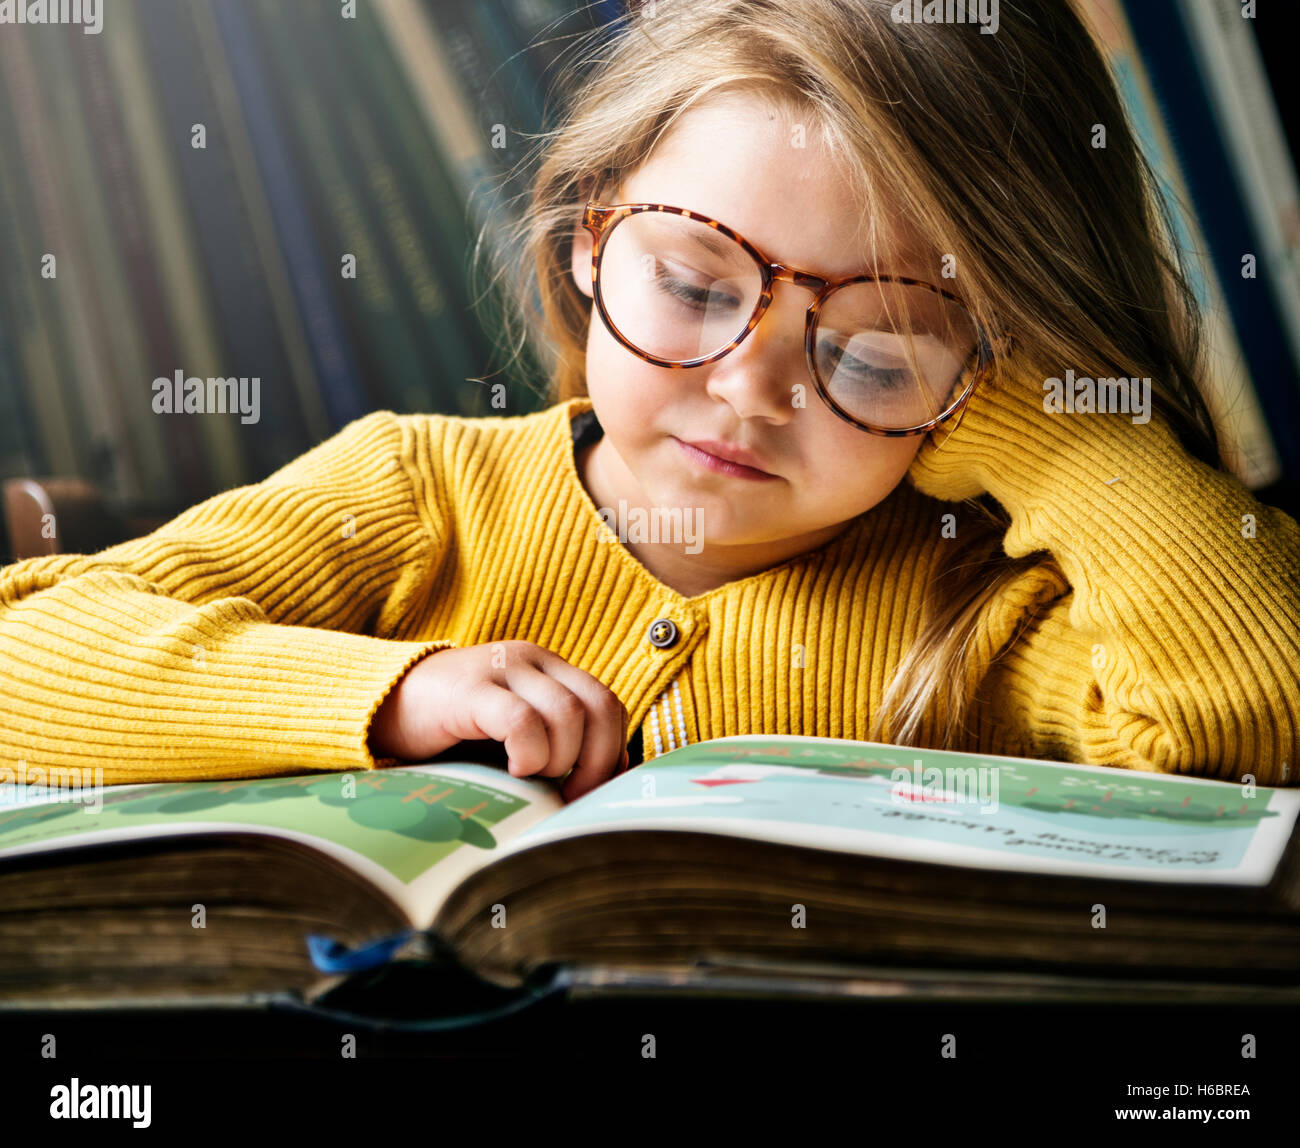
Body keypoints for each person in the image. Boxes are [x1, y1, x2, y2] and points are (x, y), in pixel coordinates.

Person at [2, 0, 1296, 804]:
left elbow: (1252, 731)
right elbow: (24, 661)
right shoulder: (417, 491)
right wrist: (394, 698)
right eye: (690, 285)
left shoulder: (981, 608)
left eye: (877, 357)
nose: (750, 389)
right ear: (588, 233)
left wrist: (1045, 422)